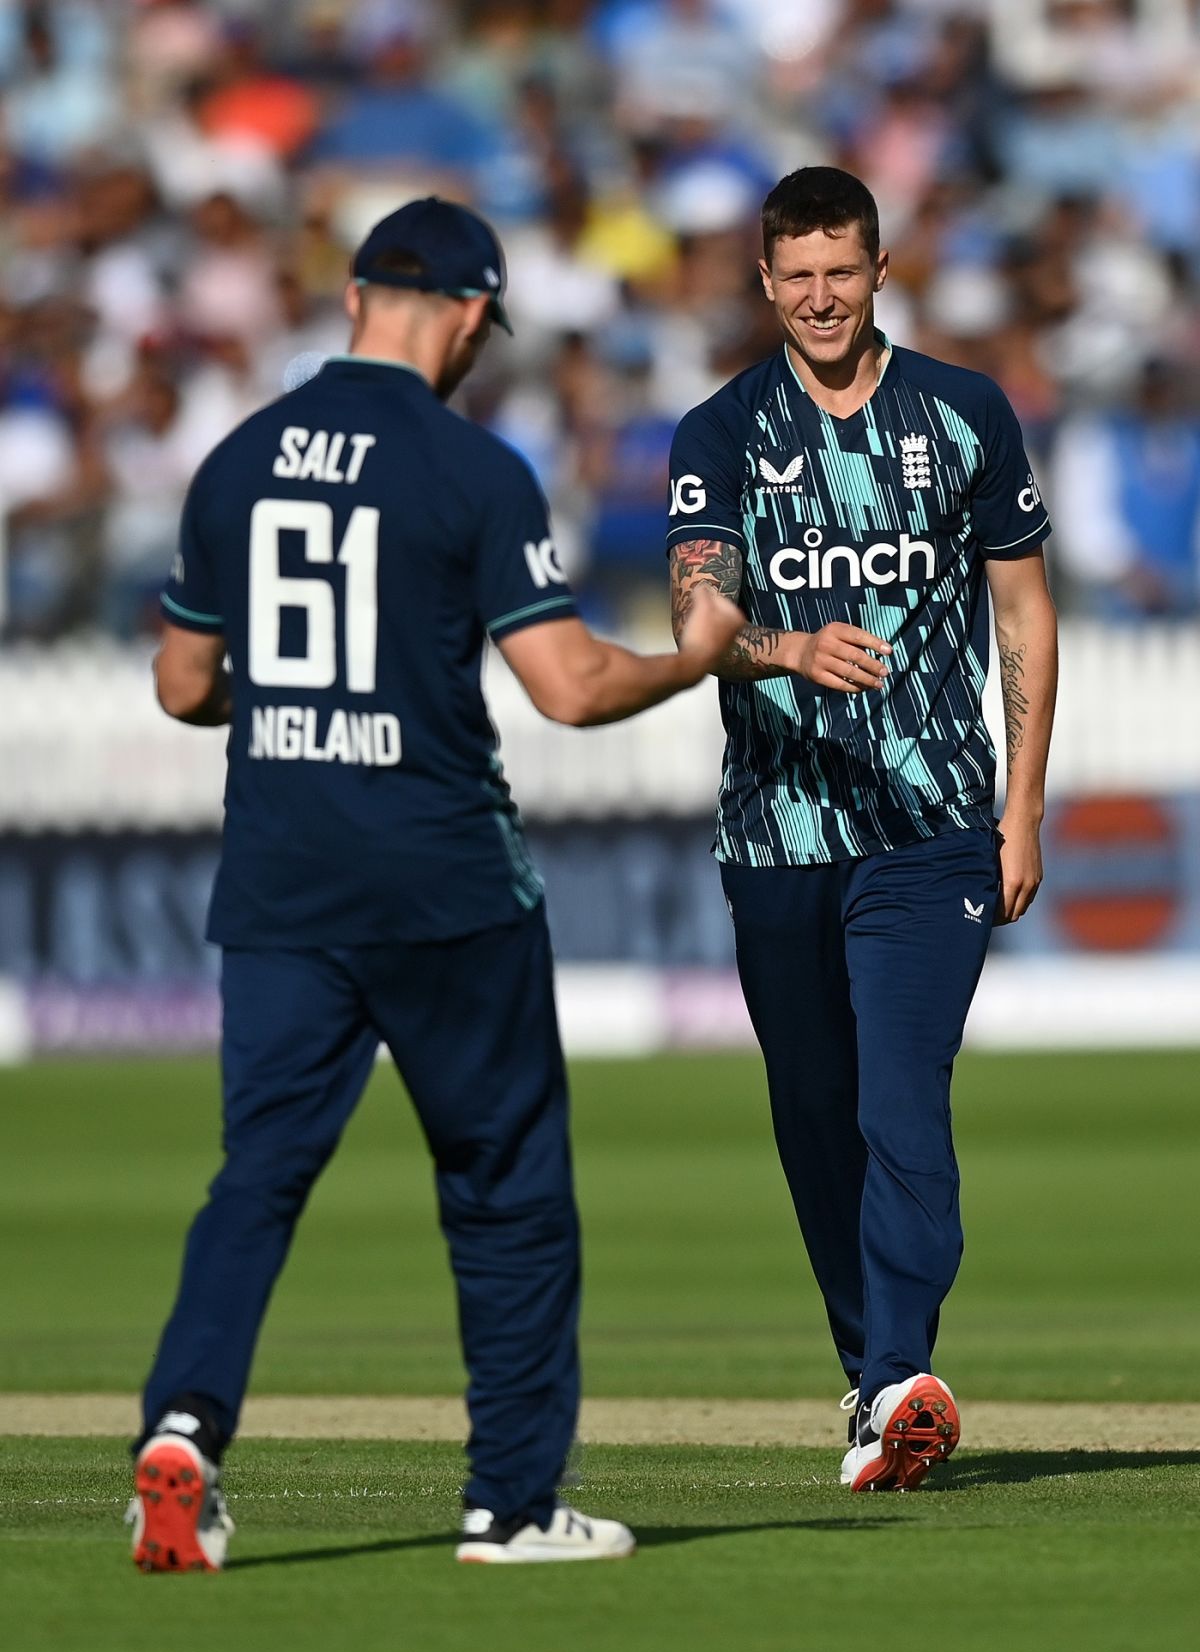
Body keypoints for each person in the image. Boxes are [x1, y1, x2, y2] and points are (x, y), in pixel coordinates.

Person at [129, 195, 741, 1571]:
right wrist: (697, 657)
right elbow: (573, 688)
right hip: (443, 880)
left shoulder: (232, 461)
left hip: (283, 880)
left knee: (258, 1178)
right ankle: (513, 1504)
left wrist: (299, 696)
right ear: (468, 315)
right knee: (506, 1183)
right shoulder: (474, 469)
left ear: (352, 298)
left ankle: (180, 1429)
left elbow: (181, 684)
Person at [667, 167, 1057, 1491]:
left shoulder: (963, 414)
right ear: (766, 283)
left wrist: (1022, 807)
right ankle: (879, 1376)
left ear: (880, 271)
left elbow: (1024, 614)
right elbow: (697, 624)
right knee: (815, 1118)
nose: (823, 296)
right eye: (799, 275)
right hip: (776, 832)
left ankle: (901, 1370)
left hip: (930, 825)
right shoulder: (721, 429)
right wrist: (787, 648)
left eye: (844, 270)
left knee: (902, 1099)